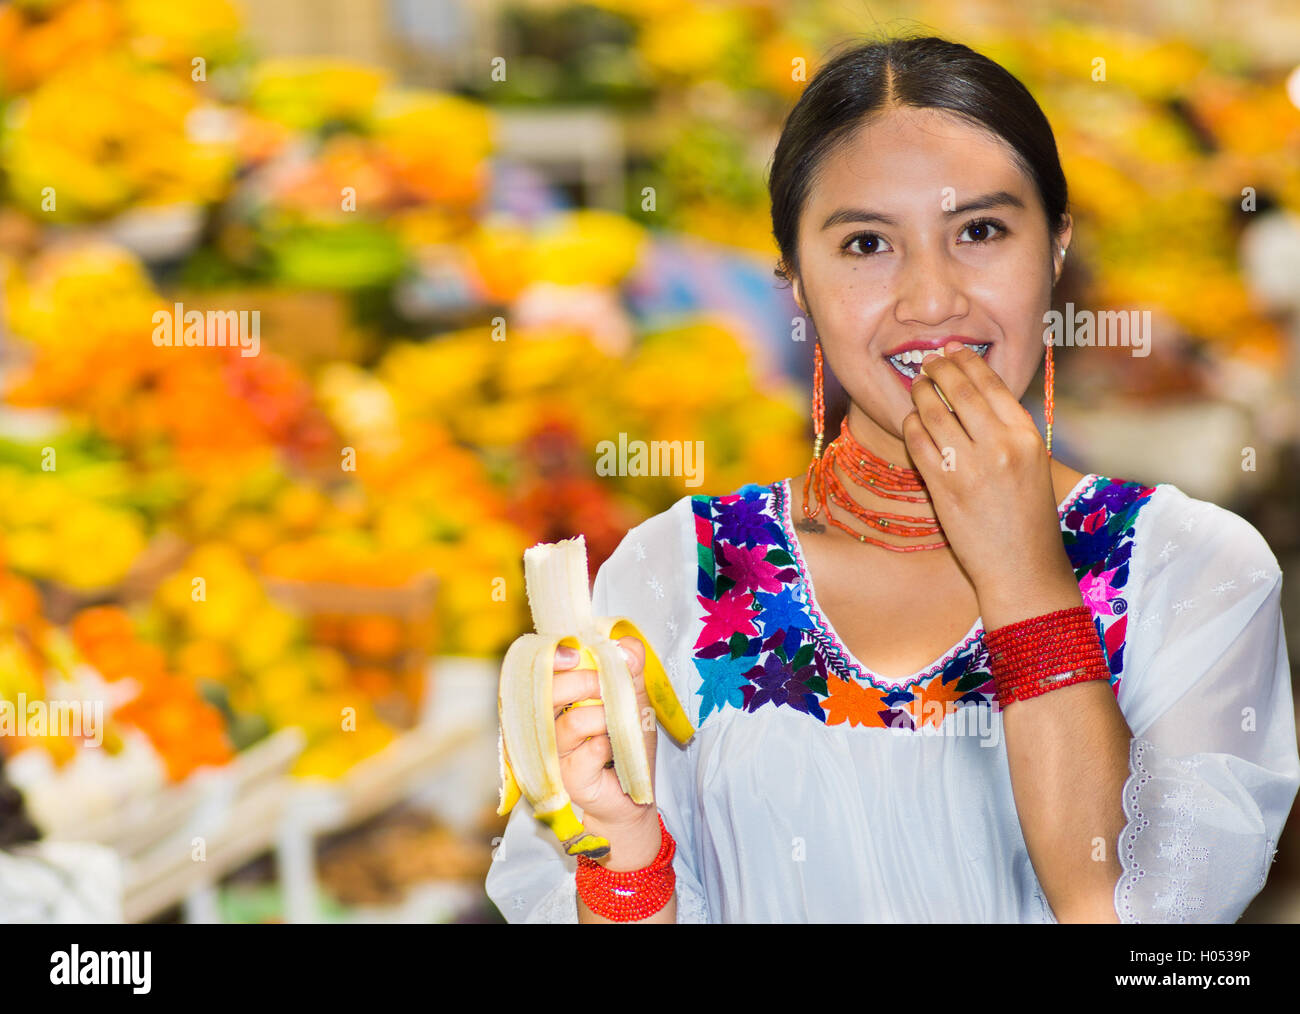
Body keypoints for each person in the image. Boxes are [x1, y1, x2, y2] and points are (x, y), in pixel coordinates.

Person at [485, 33, 1300, 923]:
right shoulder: (675, 573)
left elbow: (1142, 938)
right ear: (795, 281)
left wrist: (1025, 569)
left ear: (1058, 246)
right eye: (867, 244)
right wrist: (626, 846)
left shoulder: (1189, 571)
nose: (932, 298)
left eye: (981, 231)